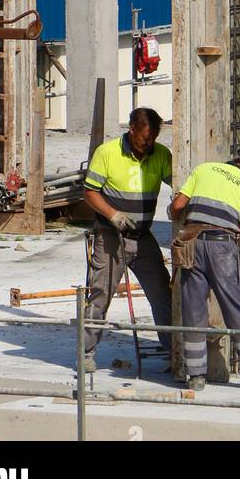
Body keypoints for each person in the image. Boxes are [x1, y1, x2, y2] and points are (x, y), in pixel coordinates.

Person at [169, 144, 240, 392]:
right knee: (235, 307)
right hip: (221, 247)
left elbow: (177, 207)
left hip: (191, 244)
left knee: (194, 311)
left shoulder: (204, 169)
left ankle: (195, 377)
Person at [83, 106, 173, 374]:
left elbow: (179, 183)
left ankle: (174, 350)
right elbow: (89, 193)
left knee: (163, 294)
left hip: (143, 237)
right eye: (145, 137)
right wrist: (113, 215)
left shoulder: (160, 154)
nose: (149, 143)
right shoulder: (107, 152)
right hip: (111, 238)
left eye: (153, 138)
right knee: (100, 294)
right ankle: (86, 353)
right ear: (131, 129)